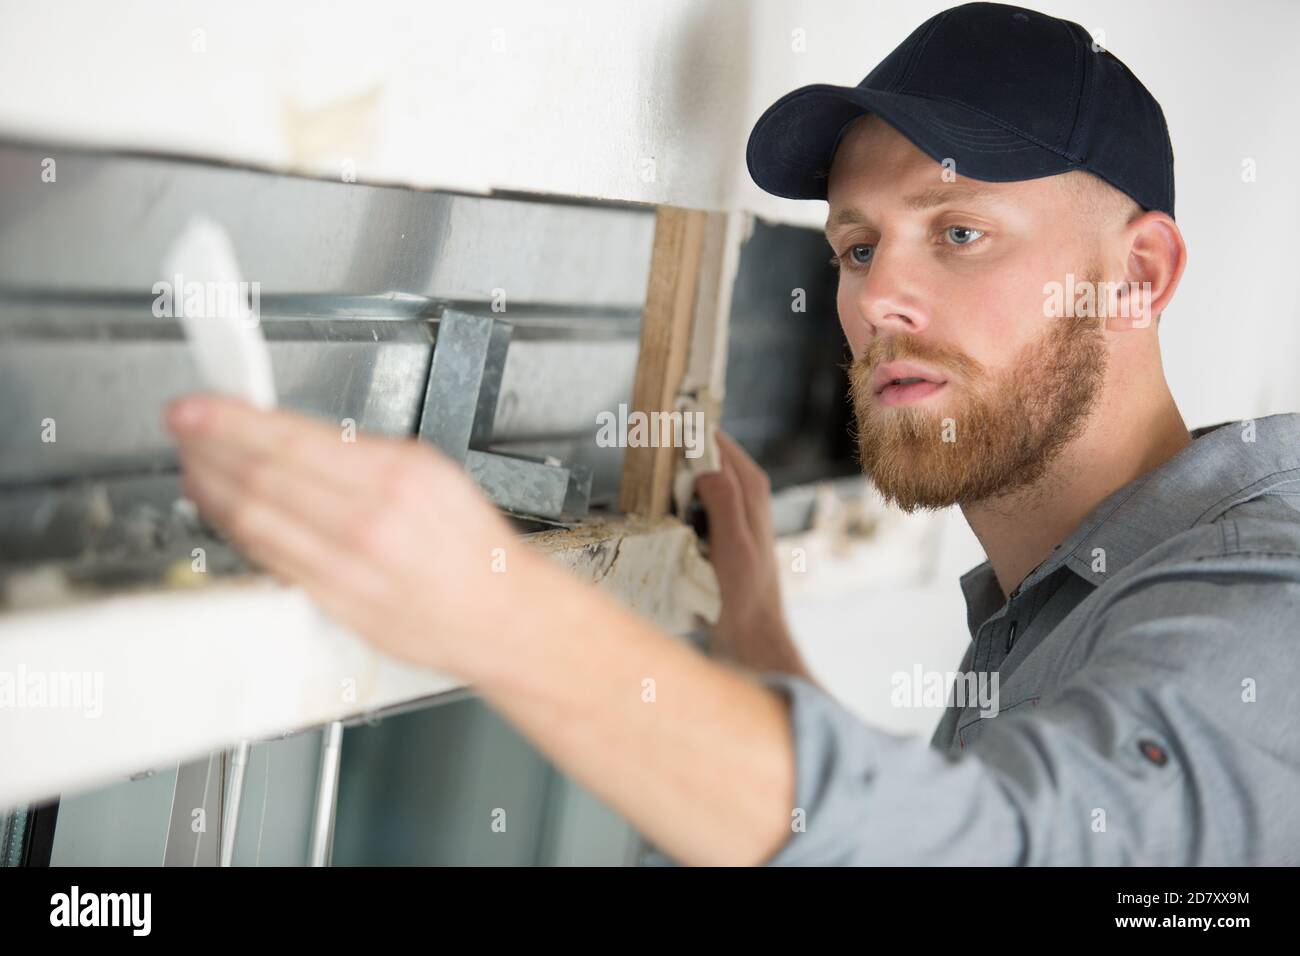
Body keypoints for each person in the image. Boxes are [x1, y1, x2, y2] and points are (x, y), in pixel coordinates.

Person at [165, 3, 1300, 864]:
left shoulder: (1258, 602)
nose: (875, 302)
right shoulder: (1056, 601)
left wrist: (496, 610)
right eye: (856, 248)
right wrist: (753, 634)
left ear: (1136, 275)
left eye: (957, 232)